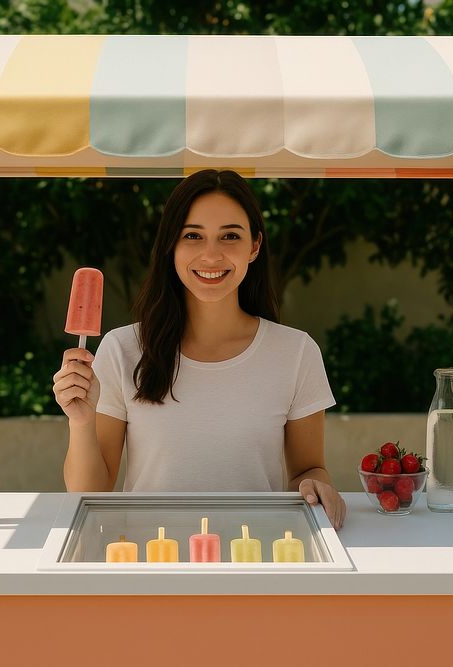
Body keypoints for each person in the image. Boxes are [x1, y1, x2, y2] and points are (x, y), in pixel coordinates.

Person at [52, 169, 346, 529]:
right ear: (171, 245)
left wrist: (317, 486)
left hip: (255, 555)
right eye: (192, 235)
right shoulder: (121, 349)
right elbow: (91, 493)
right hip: (151, 557)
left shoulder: (296, 353)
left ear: (254, 246)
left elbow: (308, 470)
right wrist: (81, 422)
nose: (211, 255)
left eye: (230, 236)